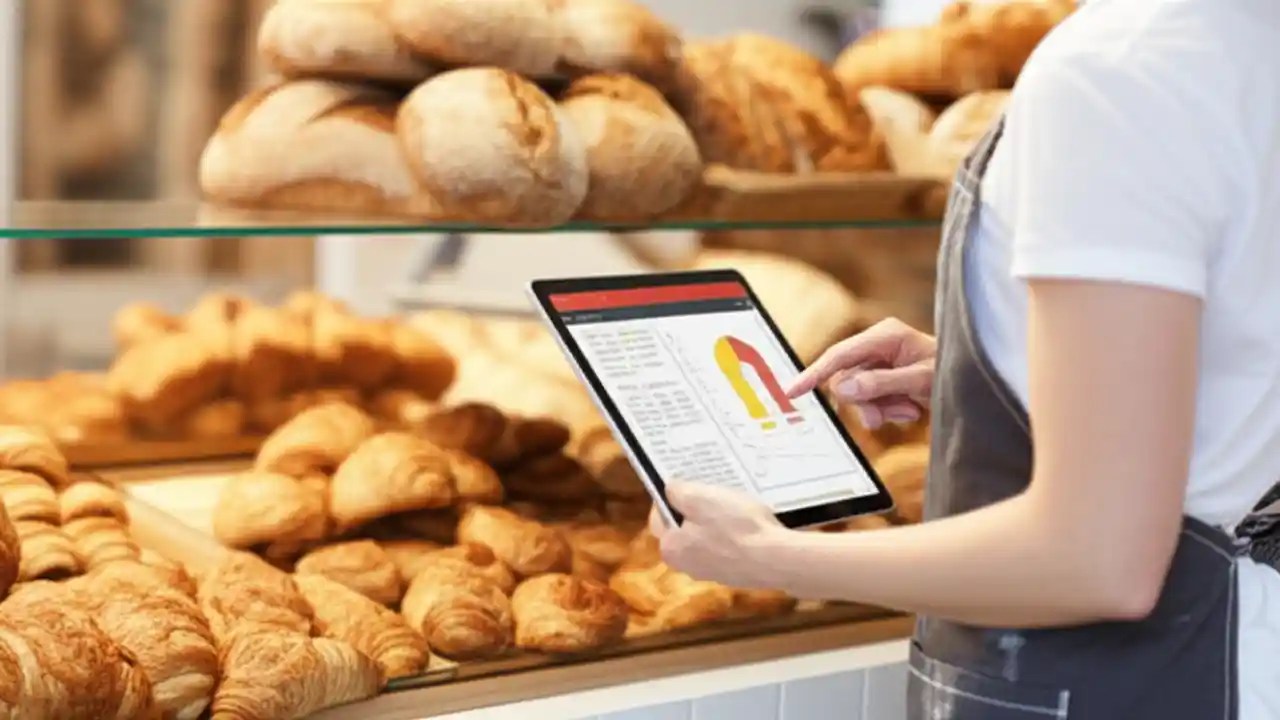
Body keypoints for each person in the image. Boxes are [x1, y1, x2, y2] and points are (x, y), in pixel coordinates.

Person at [649, 1, 1280, 718]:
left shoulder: (1113, 75)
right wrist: (996, 374)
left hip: (1138, 687)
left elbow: (1096, 560)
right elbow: (1244, 356)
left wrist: (770, 556)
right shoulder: (1243, 43)